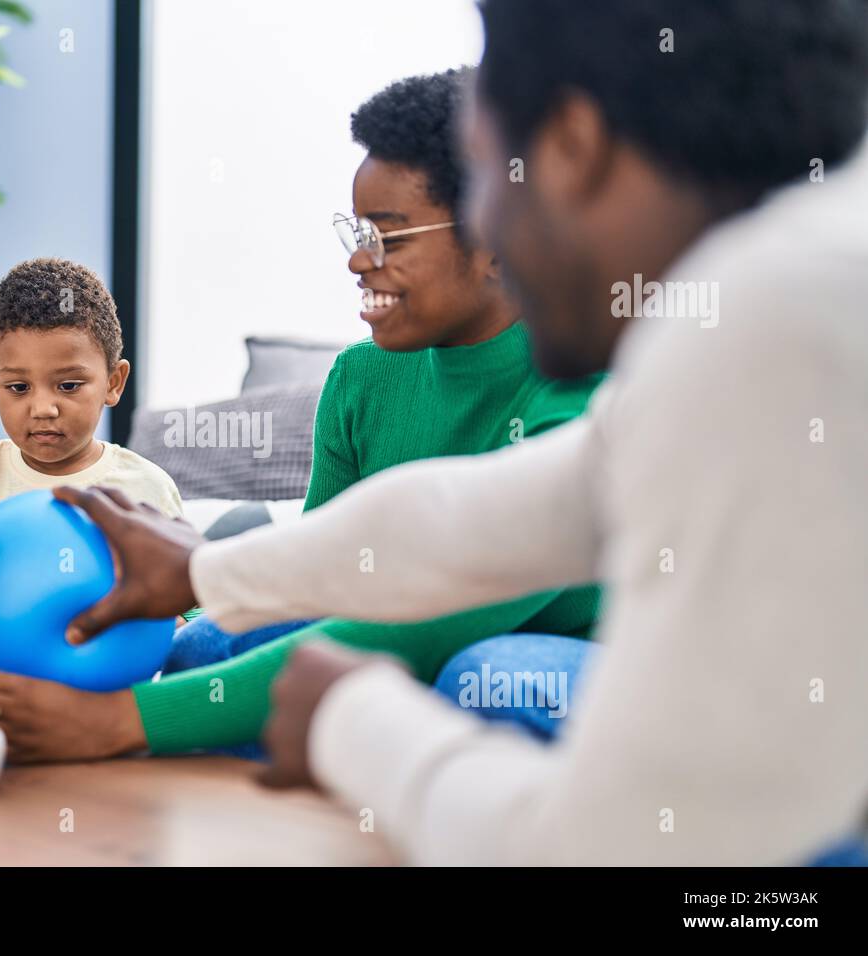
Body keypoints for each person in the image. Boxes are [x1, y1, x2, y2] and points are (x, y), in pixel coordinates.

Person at [51, 0, 868, 864]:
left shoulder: (788, 316)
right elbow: (482, 515)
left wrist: (351, 721)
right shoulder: (764, 291)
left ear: (568, 149)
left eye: (481, 176)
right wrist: (207, 569)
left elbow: (606, 845)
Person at [0, 71, 602, 763]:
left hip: (566, 657)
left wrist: (125, 721)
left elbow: (433, 623)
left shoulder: (578, 390)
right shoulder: (363, 377)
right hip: (397, 629)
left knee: (487, 679)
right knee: (202, 650)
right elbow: (318, 581)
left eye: (389, 239)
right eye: (356, 232)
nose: (357, 263)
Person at [0, 257, 182, 545]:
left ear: (114, 382)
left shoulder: (146, 491)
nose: (44, 409)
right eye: (19, 387)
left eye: (69, 385)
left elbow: (175, 587)